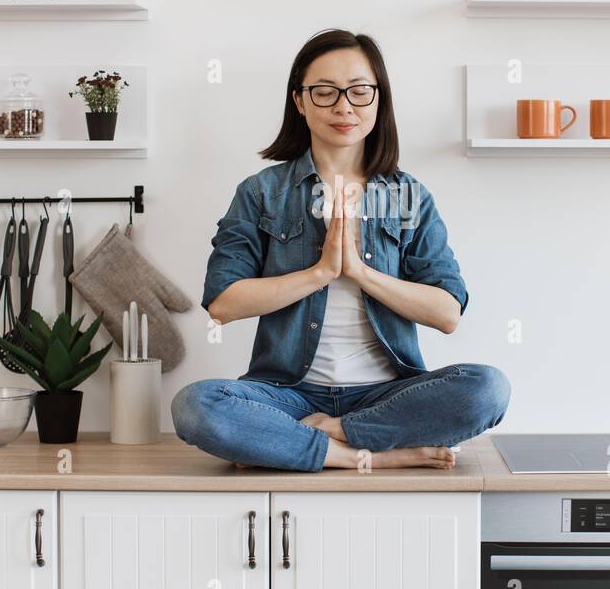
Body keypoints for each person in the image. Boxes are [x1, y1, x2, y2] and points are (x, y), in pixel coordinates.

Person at [171, 29, 510, 471]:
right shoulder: (261, 193)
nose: (344, 106)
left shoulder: (409, 196)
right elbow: (223, 304)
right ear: (300, 101)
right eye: (325, 91)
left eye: (359, 91)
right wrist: (321, 272)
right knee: (195, 405)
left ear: (379, 99)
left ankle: (326, 435)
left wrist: (361, 273)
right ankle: (364, 456)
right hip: (288, 395)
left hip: (387, 396)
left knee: (487, 388)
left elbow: (446, 313)